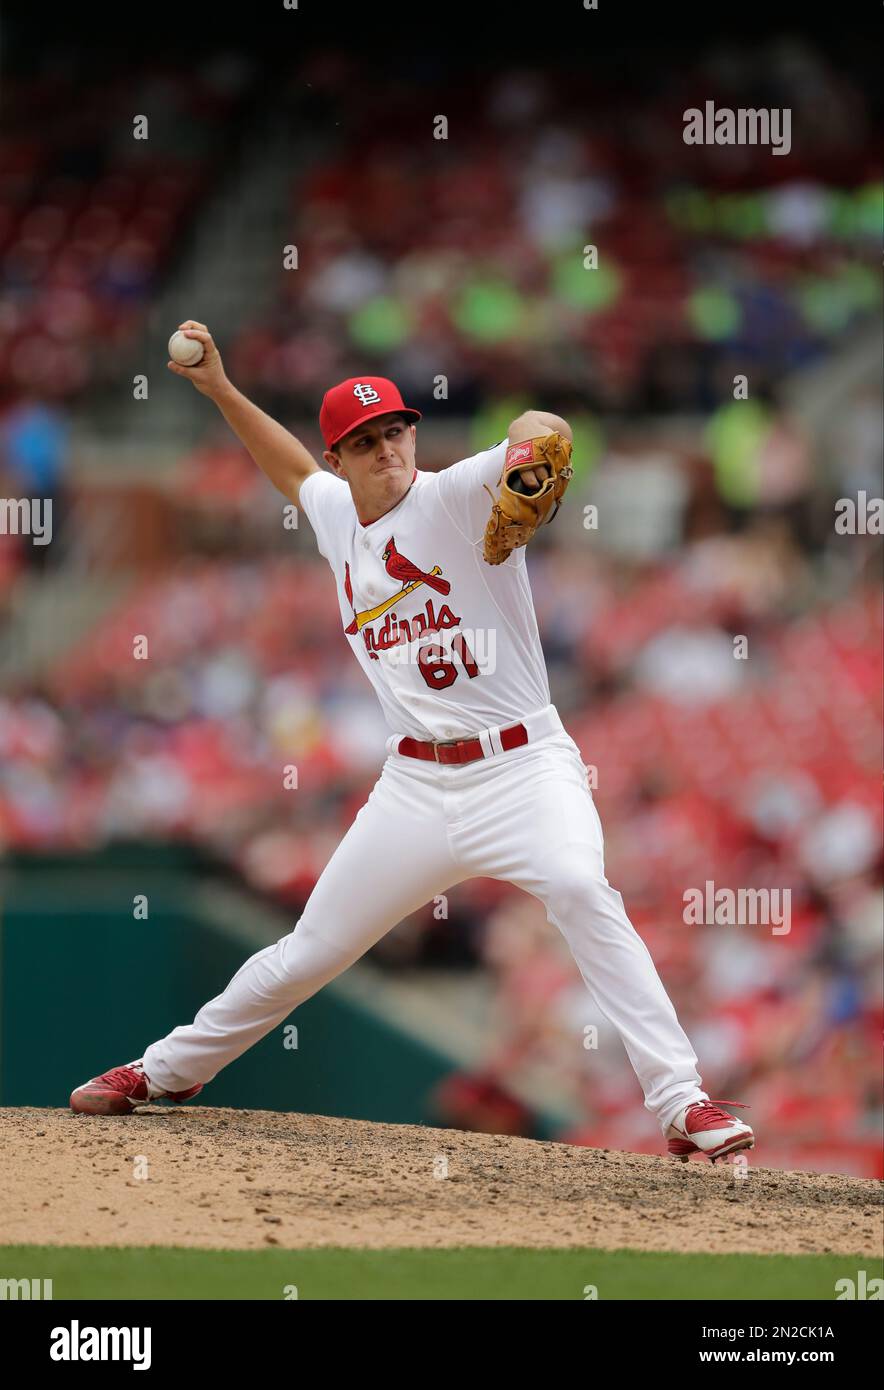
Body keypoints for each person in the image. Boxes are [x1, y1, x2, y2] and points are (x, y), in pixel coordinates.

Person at [70, 320, 755, 1164]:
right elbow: (287, 467)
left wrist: (534, 455)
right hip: (415, 789)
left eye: (395, 429)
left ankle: (683, 1100)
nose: (386, 448)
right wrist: (219, 389)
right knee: (308, 952)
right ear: (340, 461)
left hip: (522, 765)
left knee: (581, 887)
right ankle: (166, 1071)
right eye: (363, 441)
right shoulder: (334, 516)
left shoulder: (459, 492)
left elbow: (544, 428)